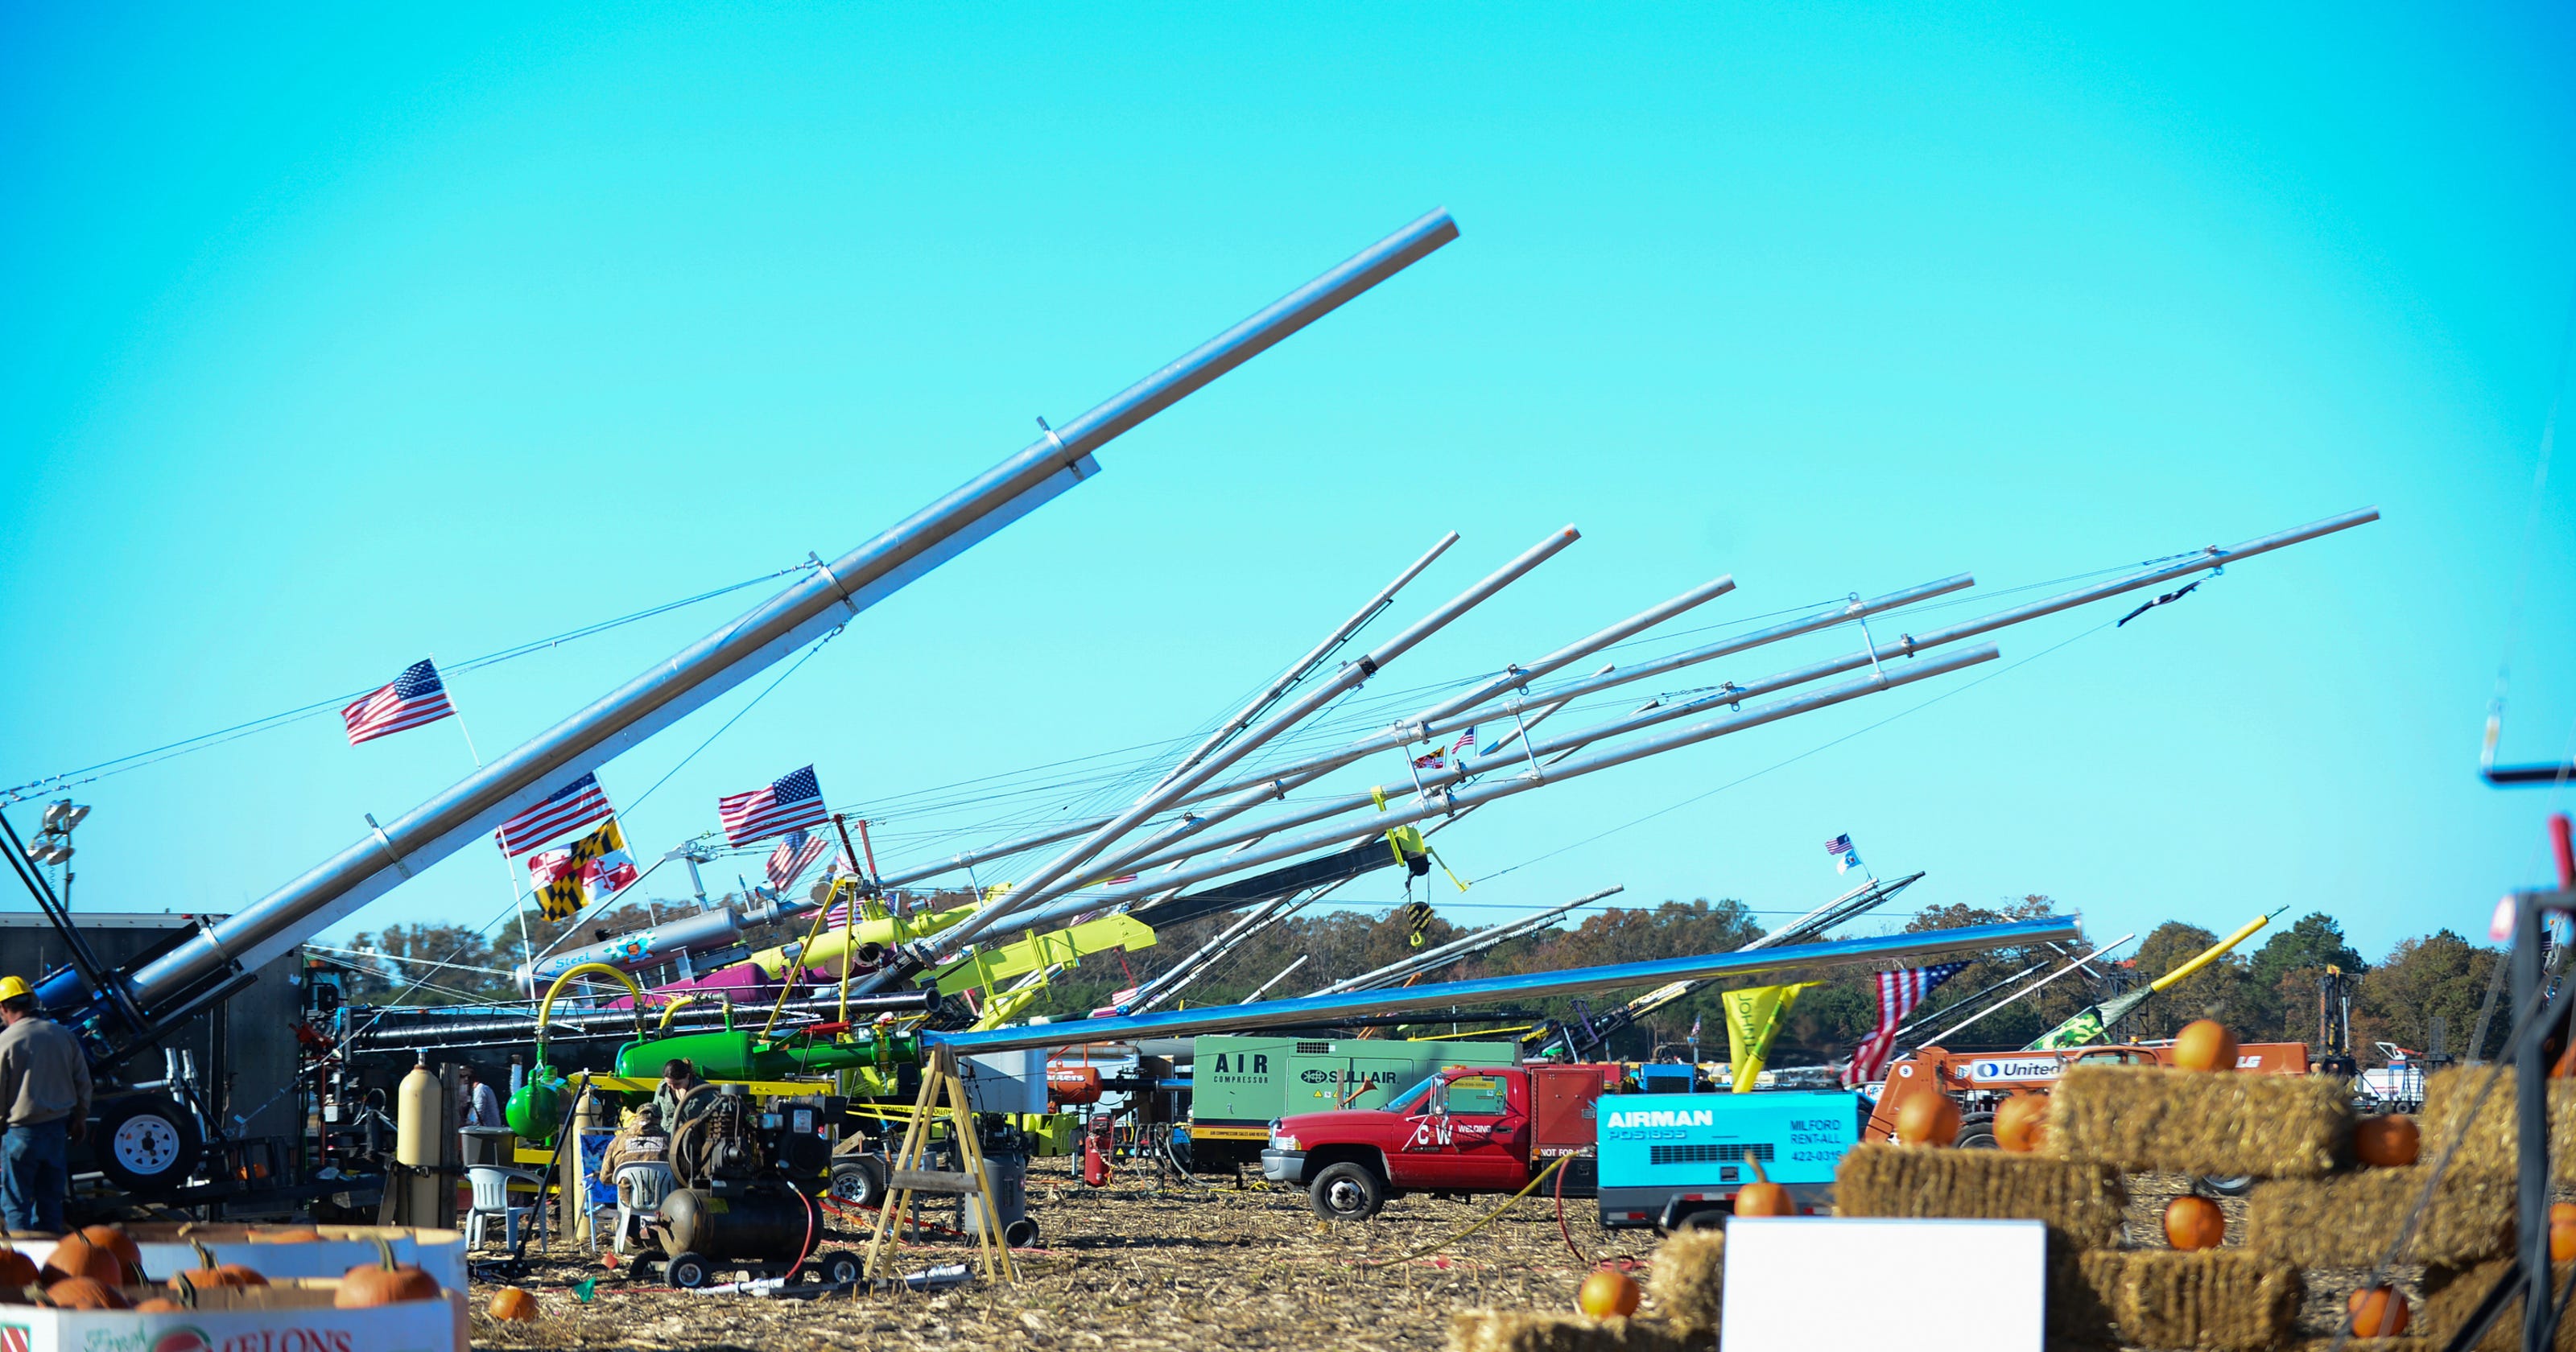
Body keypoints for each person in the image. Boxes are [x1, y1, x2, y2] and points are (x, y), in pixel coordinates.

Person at [0, 975, 90, 1234]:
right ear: (30, 1001)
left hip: (20, 1134)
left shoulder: (5, 1042)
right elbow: (83, 1081)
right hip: (56, 1131)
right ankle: (51, 1265)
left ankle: (21, 1266)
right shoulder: (62, 1035)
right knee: (50, 1203)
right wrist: (81, 1118)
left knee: (17, 1204)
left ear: (4, 1008)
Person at [653, 1059, 705, 1130]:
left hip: (693, 1137)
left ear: (687, 1076)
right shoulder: (662, 1088)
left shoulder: (704, 1089)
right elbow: (655, 1109)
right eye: (669, 1084)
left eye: (677, 1084)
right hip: (668, 1136)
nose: (673, 1087)